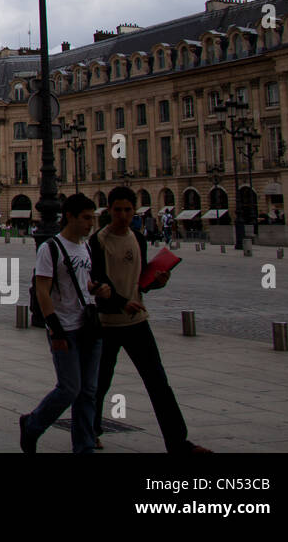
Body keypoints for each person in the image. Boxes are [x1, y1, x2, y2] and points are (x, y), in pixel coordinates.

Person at [92, 185, 210, 454]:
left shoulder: (138, 238)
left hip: (137, 320)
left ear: (134, 211)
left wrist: (156, 282)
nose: (123, 215)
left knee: (158, 382)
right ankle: (91, 429)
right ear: (109, 210)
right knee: (100, 381)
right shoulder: (98, 240)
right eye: (118, 210)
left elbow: (139, 283)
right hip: (108, 322)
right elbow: (99, 281)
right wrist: (123, 302)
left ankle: (178, 443)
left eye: (127, 210)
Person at [19, 193, 108, 454]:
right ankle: (32, 424)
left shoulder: (86, 247)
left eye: (92, 218)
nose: (91, 223)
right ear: (69, 216)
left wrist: (97, 288)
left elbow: (83, 282)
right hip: (64, 328)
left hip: (88, 326)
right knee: (69, 388)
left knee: (88, 391)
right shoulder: (51, 248)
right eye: (86, 218)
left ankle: (84, 446)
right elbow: (42, 290)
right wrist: (53, 326)